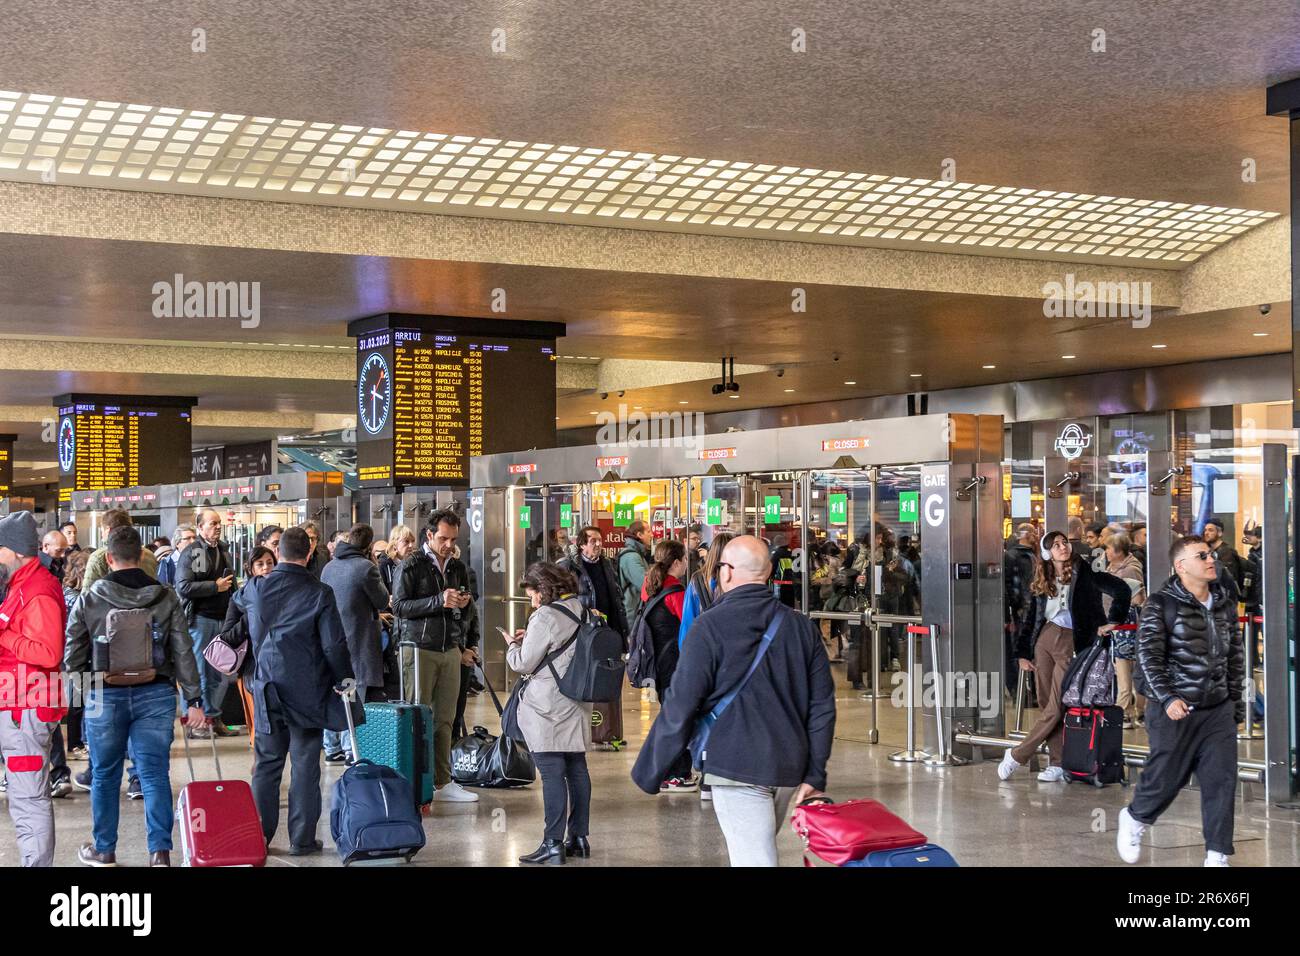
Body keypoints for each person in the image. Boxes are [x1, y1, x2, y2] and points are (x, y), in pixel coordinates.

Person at [632, 535, 835, 866]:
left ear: (725, 573)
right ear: (768, 572)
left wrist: (649, 770)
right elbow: (822, 707)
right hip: (788, 766)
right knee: (758, 851)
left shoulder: (708, 627)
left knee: (755, 859)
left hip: (734, 765)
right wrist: (815, 772)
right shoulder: (800, 627)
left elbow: (681, 705)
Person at [65, 526, 207, 867]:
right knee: (154, 774)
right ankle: (159, 852)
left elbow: (73, 653)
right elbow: (183, 650)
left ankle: (105, 849)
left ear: (109, 558)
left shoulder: (91, 597)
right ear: (142, 558)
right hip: (155, 692)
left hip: (105, 694)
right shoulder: (166, 595)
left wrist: (84, 699)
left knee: (104, 774)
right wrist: (194, 699)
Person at [1117, 535, 1244, 867]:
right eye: (1201, 555)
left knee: (1221, 780)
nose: (1210, 559)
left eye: (1211, 553)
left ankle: (1217, 854)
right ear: (1181, 566)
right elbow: (1148, 657)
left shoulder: (1224, 603)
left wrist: (1236, 705)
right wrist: (1168, 697)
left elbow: (1235, 657)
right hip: (1174, 708)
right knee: (1166, 777)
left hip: (1217, 709)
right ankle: (1135, 817)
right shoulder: (1161, 603)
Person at [243, 527, 356, 855]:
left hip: (267, 687)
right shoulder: (320, 591)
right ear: (308, 555)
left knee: (267, 763)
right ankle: (302, 839)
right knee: (306, 762)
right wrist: (344, 678)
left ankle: (259, 837)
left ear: (277, 553)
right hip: (307, 687)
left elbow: (241, 622)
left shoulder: (257, 588)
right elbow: (334, 644)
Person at [999, 529, 1131, 783]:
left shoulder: (1086, 574)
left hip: (1073, 639)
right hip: (1044, 639)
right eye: (1055, 544)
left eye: (1064, 542)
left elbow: (1122, 590)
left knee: (1058, 704)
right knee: (1047, 701)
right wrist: (1023, 653)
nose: (1062, 547)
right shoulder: (1043, 578)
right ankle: (1057, 762)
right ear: (1047, 552)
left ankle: (1017, 754)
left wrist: (1112, 621)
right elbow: (1030, 617)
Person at [504, 562, 592, 865]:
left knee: (552, 773)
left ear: (543, 589)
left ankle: (553, 844)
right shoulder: (582, 609)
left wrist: (513, 646)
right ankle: (578, 838)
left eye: (532, 594)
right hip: (577, 699)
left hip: (547, 705)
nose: (531, 601)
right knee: (577, 768)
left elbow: (524, 663)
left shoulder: (544, 616)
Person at [391, 508, 479, 803]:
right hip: (418, 648)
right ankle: (416, 778)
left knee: (446, 717)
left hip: (449, 648)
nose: (449, 544)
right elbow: (400, 607)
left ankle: (443, 780)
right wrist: (437, 601)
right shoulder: (411, 565)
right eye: (443, 538)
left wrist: (462, 605)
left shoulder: (457, 567)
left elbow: (464, 609)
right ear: (429, 535)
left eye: (453, 539)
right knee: (418, 715)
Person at [0, 511, 69, 866]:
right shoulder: (21, 585)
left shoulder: (36, 589)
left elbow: (48, 651)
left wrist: (5, 635)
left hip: (26, 707)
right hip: (19, 704)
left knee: (29, 798)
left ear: (12, 550)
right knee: (25, 795)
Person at [320, 523, 390, 762]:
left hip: (331, 639)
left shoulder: (329, 567)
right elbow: (381, 601)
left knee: (336, 691)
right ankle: (352, 750)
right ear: (368, 546)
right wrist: (376, 565)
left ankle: (331, 747)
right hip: (358, 640)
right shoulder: (365, 568)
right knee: (354, 694)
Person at [176, 509, 238, 736]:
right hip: (201, 620)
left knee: (220, 674)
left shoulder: (223, 550)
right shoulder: (195, 552)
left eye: (219, 523)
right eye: (212, 524)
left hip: (223, 618)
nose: (217, 527)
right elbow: (183, 586)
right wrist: (214, 586)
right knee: (200, 673)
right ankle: (197, 724)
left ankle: (213, 717)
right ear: (200, 528)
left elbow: (230, 583)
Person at [639, 539, 693, 792]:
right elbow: (691, 629)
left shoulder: (650, 587)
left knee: (670, 714)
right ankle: (679, 773)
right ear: (676, 562)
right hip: (675, 664)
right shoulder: (677, 594)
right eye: (684, 560)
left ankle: (672, 771)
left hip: (656, 663)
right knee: (677, 718)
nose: (686, 565)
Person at [1105, 532, 1147, 728]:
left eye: (1108, 548)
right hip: (1117, 626)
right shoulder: (1114, 568)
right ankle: (1132, 710)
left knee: (1124, 671)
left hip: (1126, 628)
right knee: (1122, 670)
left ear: (1118, 551)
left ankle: (1126, 711)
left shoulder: (1129, 570)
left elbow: (1139, 599)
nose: (1105, 552)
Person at [557, 526, 628, 638]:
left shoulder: (607, 564)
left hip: (608, 624)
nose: (598, 544)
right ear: (582, 545)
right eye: (593, 541)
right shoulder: (569, 566)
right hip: (584, 626)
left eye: (600, 540)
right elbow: (561, 599)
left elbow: (616, 594)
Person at [378, 525, 417, 699]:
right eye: (406, 541)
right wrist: (387, 599)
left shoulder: (413, 565)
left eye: (412, 542)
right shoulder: (383, 565)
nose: (410, 546)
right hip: (390, 623)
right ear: (394, 544)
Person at [678, 531, 736, 648]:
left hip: (704, 645)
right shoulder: (739, 579)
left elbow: (688, 621)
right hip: (731, 646)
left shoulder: (697, 579)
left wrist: (685, 651)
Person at [1004, 523, 1040, 700]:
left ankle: (1032, 689)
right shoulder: (1012, 557)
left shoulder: (1034, 556)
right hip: (1021, 611)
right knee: (1019, 648)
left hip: (1032, 608)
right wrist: (1013, 609)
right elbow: (1010, 586)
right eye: (1032, 532)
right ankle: (1019, 690)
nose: (1035, 535)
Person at [81, 509, 159, 590]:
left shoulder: (98, 557)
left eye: (102, 531)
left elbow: (87, 596)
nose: (101, 536)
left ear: (108, 531)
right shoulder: (149, 555)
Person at [616, 520, 652, 625]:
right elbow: (646, 585)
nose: (652, 535)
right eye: (648, 531)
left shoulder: (636, 554)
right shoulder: (632, 557)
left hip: (633, 611)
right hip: (632, 615)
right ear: (639, 534)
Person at [1202, 519, 1244, 596]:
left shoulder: (1227, 552)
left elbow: (1229, 580)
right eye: (1205, 530)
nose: (1206, 533)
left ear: (1220, 533)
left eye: (1210, 530)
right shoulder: (1210, 552)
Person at [158, 523, 196, 587]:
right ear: (177, 543)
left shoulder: (200, 560)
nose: (193, 541)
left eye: (194, 538)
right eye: (188, 538)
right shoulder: (167, 563)